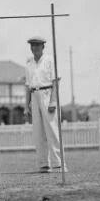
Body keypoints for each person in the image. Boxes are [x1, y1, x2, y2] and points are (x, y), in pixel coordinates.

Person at [24, 36, 67, 173]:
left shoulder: (49, 60)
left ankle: (59, 163)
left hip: (47, 94)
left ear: (43, 46)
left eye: (37, 45)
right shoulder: (29, 64)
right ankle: (44, 164)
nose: (34, 48)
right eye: (32, 45)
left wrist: (53, 100)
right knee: (38, 132)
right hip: (34, 95)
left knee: (52, 130)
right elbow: (27, 86)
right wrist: (27, 105)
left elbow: (55, 82)